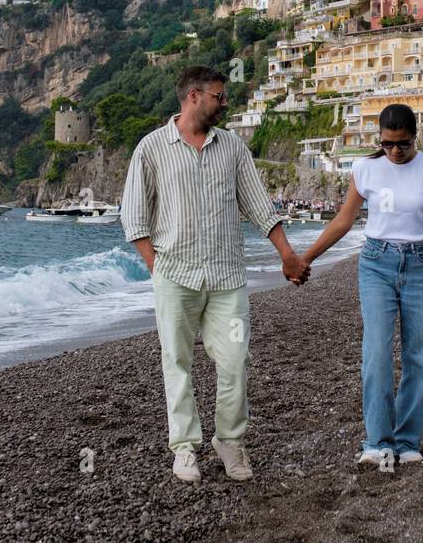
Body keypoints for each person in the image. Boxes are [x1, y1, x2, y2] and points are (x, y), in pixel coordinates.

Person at [121, 65, 310, 484]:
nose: (225, 104)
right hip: (175, 277)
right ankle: (185, 448)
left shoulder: (233, 148)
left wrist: (288, 256)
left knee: (235, 360)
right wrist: (158, 268)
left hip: (228, 278)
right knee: (178, 363)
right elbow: (133, 219)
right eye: (218, 97)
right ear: (193, 96)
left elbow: (260, 207)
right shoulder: (151, 148)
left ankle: (230, 441)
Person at [302, 103, 423, 473]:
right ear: (379, 141)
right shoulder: (365, 168)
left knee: (419, 354)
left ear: (414, 137)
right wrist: (306, 257)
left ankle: (407, 442)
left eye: (402, 144)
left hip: (422, 264)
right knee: (377, 352)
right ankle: (377, 443)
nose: (395, 152)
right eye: (387, 144)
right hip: (376, 263)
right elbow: (343, 221)